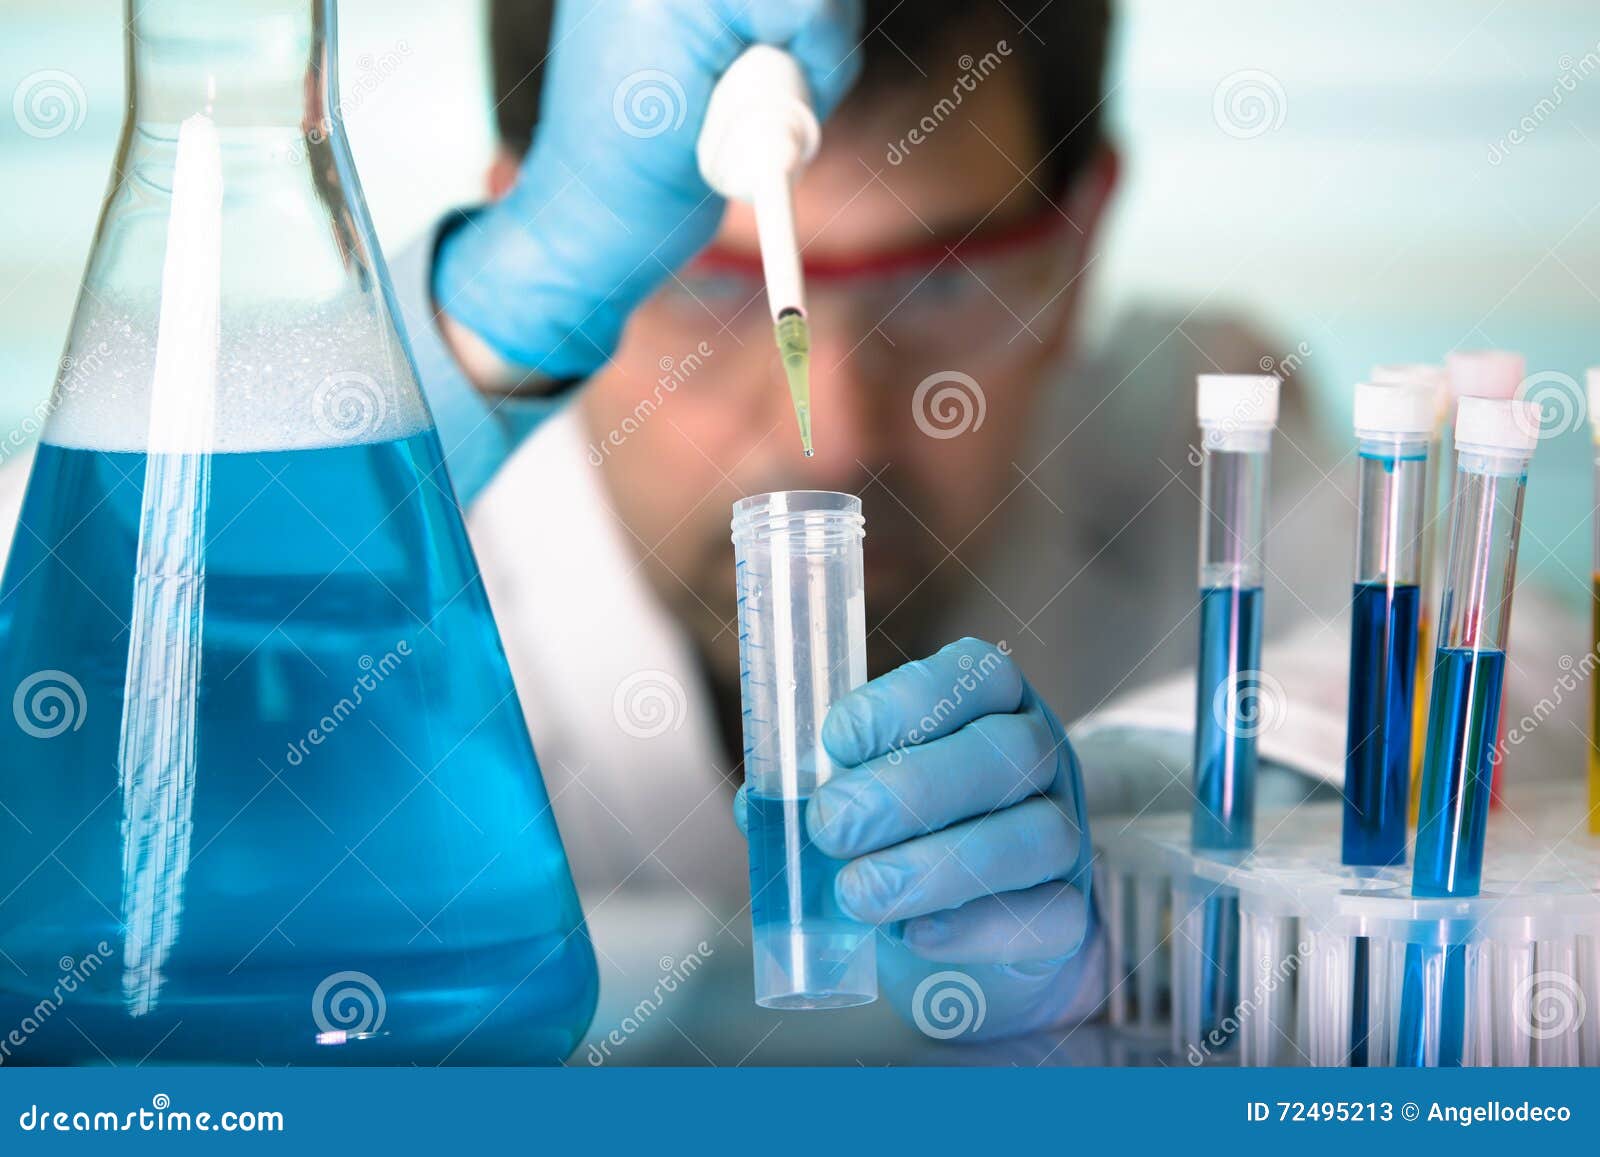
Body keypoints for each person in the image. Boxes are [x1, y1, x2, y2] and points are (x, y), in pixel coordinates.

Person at [0, 0, 1581, 1053]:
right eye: (701, 291)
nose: (828, 425)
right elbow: (74, 697)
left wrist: (1145, 812)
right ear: (557, 225)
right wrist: (479, 328)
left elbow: (1529, 674)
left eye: (942, 280)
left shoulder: (1184, 423)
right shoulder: (397, 510)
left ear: (1084, 233)